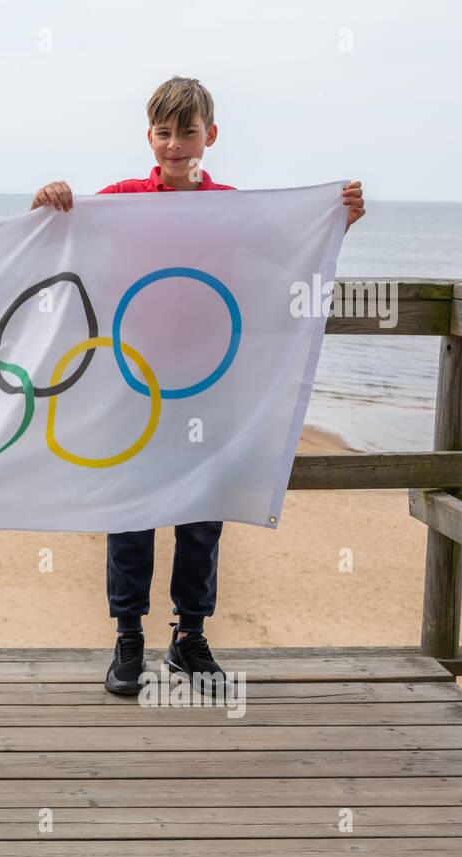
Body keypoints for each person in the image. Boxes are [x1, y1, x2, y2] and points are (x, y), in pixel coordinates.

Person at [29, 76, 366, 696]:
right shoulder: (121, 199)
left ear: (209, 136)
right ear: (149, 137)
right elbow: (58, 238)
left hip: (212, 390)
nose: (175, 144)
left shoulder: (231, 207)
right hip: (131, 384)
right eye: (164, 132)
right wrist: (48, 200)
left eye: (188, 132)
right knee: (130, 512)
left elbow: (293, 252)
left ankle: (189, 637)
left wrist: (336, 220)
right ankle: (128, 637)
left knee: (201, 515)